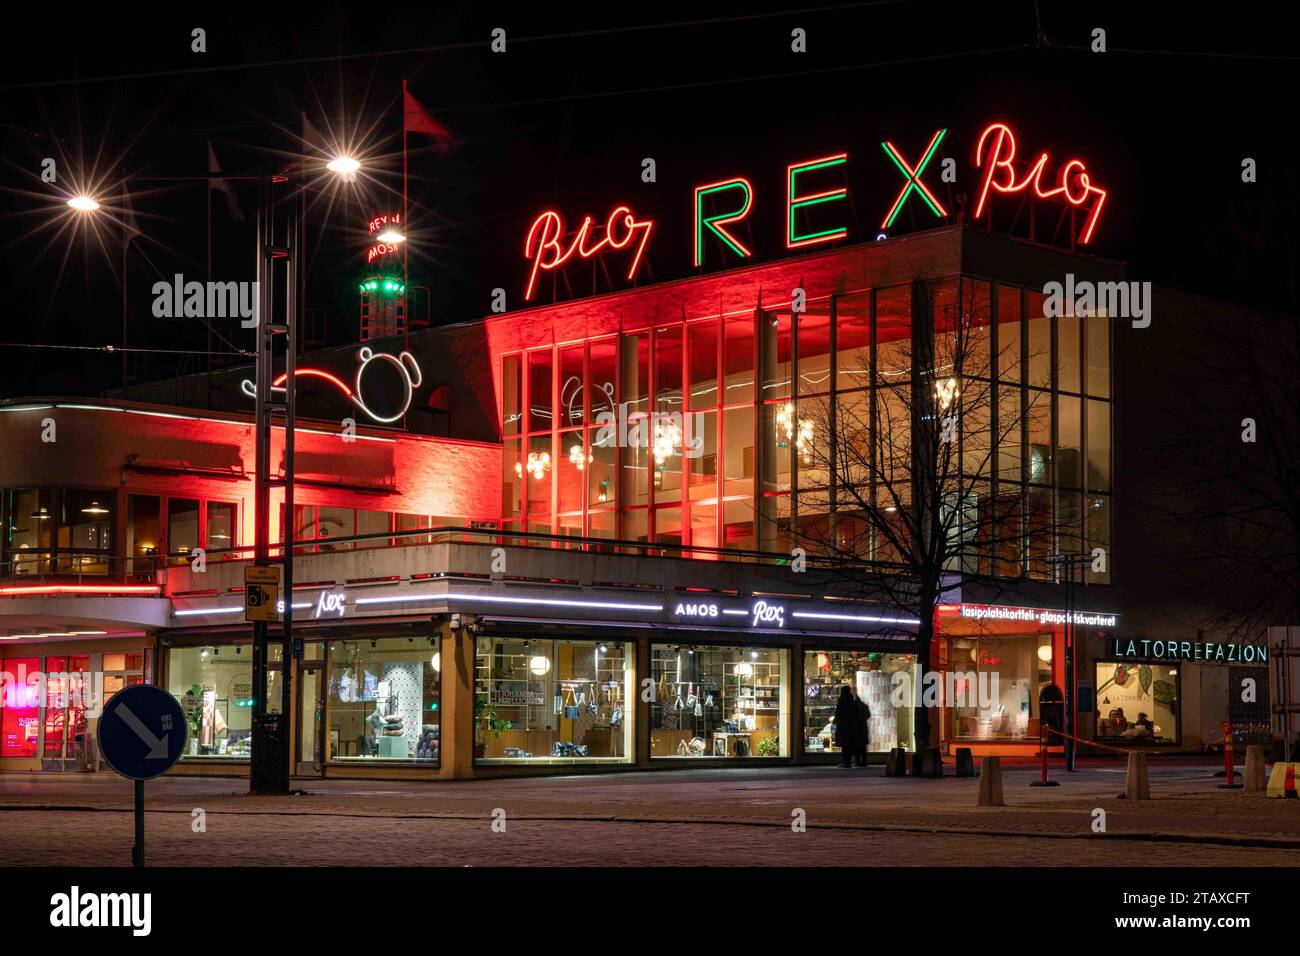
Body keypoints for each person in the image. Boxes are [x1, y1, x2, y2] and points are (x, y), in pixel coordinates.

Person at [833, 685, 862, 768]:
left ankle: (845, 761)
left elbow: (838, 712)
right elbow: (856, 713)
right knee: (849, 744)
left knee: (844, 744)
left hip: (843, 725)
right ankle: (848, 761)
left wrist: (836, 720)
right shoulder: (852, 701)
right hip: (851, 726)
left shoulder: (842, 700)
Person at [855, 691, 872, 767]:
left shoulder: (853, 707)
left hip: (855, 728)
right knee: (863, 746)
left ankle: (858, 762)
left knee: (856, 746)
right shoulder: (864, 706)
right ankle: (864, 761)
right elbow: (868, 715)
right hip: (863, 727)